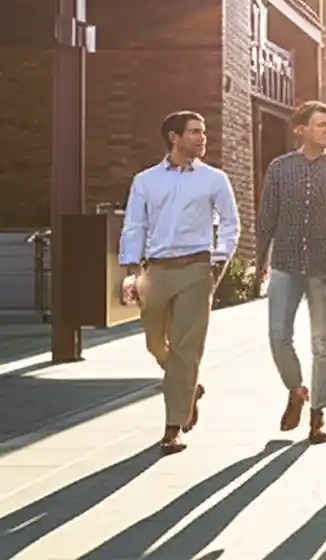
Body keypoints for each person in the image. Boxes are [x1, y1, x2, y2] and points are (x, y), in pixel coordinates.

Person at [120, 110, 241, 454]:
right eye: (194, 132)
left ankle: (173, 427)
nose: (202, 138)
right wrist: (131, 269)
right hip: (156, 270)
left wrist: (218, 264)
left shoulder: (214, 179)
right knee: (155, 343)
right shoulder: (146, 181)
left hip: (196, 269)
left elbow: (231, 224)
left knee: (186, 347)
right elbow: (134, 226)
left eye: (203, 132)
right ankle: (189, 386)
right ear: (174, 137)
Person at [256, 101, 326, 445]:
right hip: (285, 265)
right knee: (278, 337)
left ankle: (318, 415)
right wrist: (259, 264)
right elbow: (266, 217)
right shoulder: (279, 169)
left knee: (323, 344)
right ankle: (296, 390)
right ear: (300, 129)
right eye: (321, 125)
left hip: (325, 268)